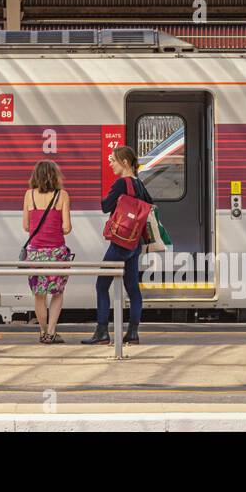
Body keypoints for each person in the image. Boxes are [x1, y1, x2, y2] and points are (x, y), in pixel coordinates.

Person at [82, 145, 151, 346]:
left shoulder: (122, 183)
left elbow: (105, 206)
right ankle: (133, 333)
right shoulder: (140, 184)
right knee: (133, 288)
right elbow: (149, 206)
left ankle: (102, 332)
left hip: (120, 243)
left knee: (101, 285)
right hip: (135, 243)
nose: (110, 163)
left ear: (125, 162)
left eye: (113, 160)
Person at [22, 160, 72, 344]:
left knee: (39, 295)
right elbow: (66, 227)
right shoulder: (62, 195)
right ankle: (52, 332)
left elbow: (26, 226)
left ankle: (43, 333)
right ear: (55, 176)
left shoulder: (29, 195)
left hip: (35, 253)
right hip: (57, 252)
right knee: (57, 293)